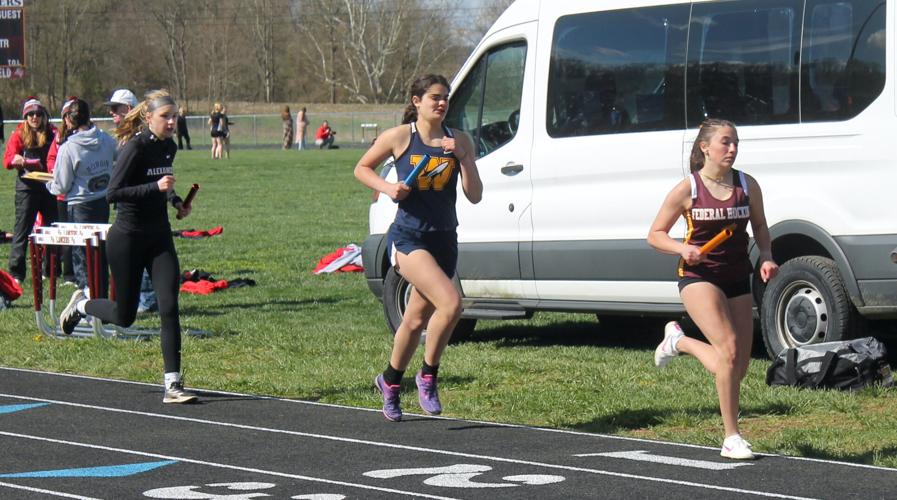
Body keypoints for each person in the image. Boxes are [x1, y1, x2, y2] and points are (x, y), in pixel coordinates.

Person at [353, 74, 483, 421]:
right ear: (417, 102)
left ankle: (390, 381)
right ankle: (428, 375)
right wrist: (387, 188)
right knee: (452, 303)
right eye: (435, 98)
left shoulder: (459, 139)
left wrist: (465, 158)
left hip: (444, 238)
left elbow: (475, 194)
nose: (442, 104)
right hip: (410, 239)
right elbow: (361, 168)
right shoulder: (399, 137)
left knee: (412, 321)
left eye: (446, 98)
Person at [647, 118, 778, 460]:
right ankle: (732, 437)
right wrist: (681, 248)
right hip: (698, 277)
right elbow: (655, 234)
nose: (732, 149)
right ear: (705, 147)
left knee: (738, 366)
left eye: (735, 143)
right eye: (725, 142)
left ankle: (679, 341)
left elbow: (761, 225)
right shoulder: (687, 189)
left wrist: (765, 255)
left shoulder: (747, 185)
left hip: (737, 277)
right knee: (729, 351)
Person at [59, 90, 198, 404]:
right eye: (166, 116)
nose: (173, 122)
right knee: (124, 316)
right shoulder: (133, 147)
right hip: (128, 239)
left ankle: (172, 384)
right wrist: (155, 186)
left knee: (169, 306)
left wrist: (175, 201)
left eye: (175, 116)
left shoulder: (169, 148)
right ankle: (82, 305)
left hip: (159, 237)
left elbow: (161, 187)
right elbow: (113, 193)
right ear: (148, 117)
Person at [46, 97, 117, 297]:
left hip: (79, 205)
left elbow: (62, 184)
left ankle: (88, 298)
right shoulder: (104, 138)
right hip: (102, 201)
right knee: (99, 251)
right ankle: (101, 294)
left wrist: (49, 184)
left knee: (82, 254)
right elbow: (118, 156)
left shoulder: (68, 147)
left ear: (69, 120)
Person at [3, 97, 59, 284]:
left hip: (49, 187)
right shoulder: (19, 133)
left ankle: (51, 270)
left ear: (44, 116)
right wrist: (15, 160)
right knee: (21, 230)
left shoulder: (52, 132)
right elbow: (7, 159)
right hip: (26, 188)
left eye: (38, 114)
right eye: (30, 114)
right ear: (25, 116)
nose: (35, 117)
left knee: (52, 229)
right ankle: (17, 272)